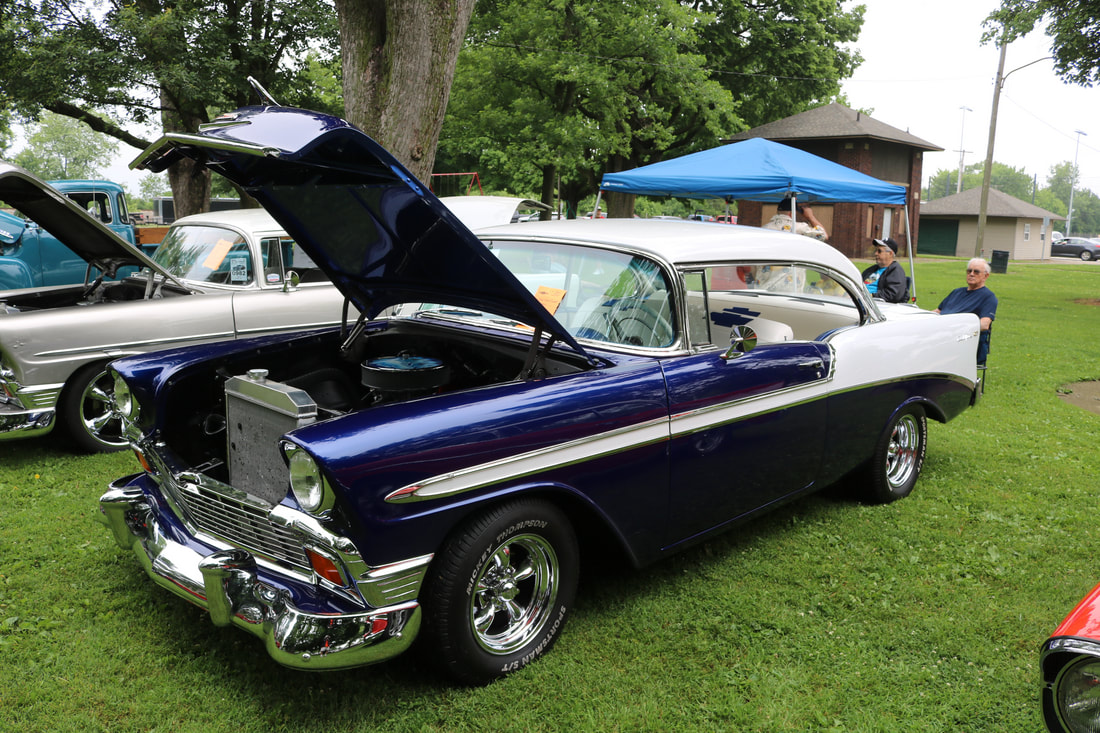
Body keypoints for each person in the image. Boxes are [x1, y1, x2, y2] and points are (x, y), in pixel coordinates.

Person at [934, 257, 998, 364]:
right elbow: (937, 311)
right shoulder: (956, 292)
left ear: (986, 276)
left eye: (976, 272)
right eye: (969, 271)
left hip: (960, 342)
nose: (971, 274)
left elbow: (984, 325)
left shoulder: (988, 297)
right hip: (939, 335)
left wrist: (954, 328)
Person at [861, 238, 908, 303]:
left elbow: (893, 294)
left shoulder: (896, 271)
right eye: (876, 250)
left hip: (875, 305)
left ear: (890, 253)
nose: (876, 253)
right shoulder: (872, 270)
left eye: (879, 251)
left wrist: (869, 296)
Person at [763, 195, 829, 241]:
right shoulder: (800, 228)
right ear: (791, 214)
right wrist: (811, 217)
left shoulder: (765, 228)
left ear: (778, 212)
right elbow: (824, 236)